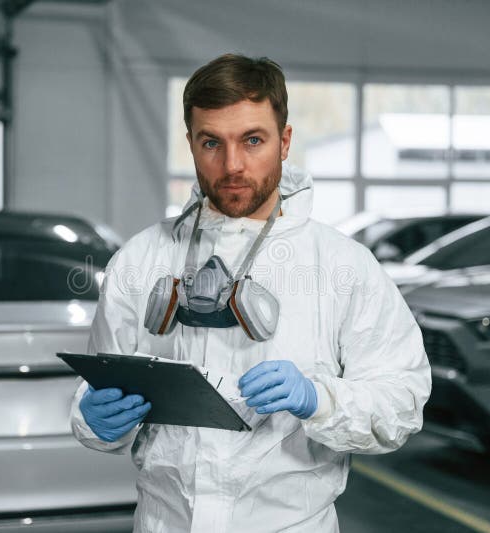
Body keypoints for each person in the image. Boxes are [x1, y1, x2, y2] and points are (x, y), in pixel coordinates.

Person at [70, 53, 431, 533]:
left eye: (253, 140)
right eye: (211, 143)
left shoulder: (343, 267)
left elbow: (401, 402)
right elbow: (101, 384)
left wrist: (319, 398)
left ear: (285, 141)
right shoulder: (141, 259)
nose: (232, 164)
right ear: (190, 144)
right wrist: (93, 419)